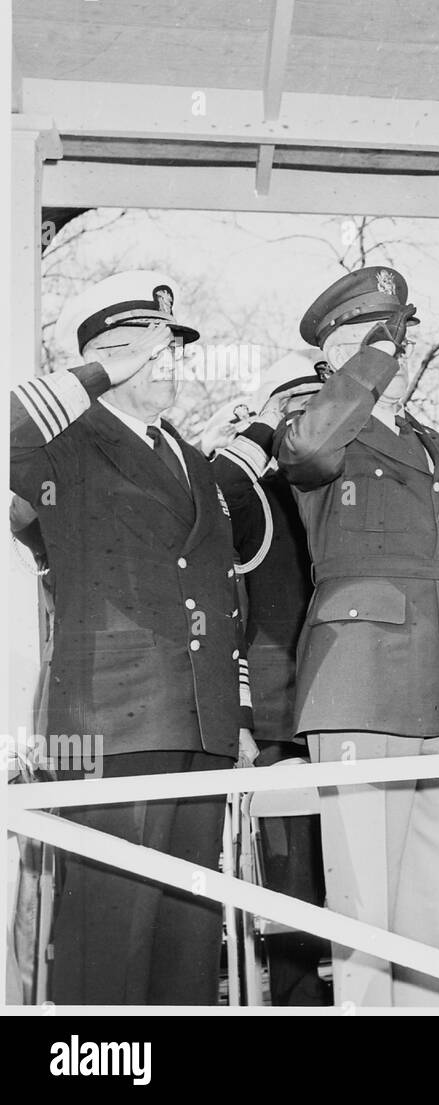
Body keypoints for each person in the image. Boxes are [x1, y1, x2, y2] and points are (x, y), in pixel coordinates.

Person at [10, 270, 257, 1004]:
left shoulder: (188, 455)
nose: (171, 362)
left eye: (175, 349)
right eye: (152, 349)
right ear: (108, 357)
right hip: (112, 723)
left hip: (201, 721)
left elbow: (222, 589)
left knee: (186, 928)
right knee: (110, 928)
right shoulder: (69, 445)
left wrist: (237, 715)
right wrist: (97, 373)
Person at [277, 267, 439, 1007]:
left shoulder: (438, 447)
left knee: (435, 895)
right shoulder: (319, 425)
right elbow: (307, 449)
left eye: (399, 335)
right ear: (336, 353)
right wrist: (364, 366)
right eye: (376, 337)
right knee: (364, 900)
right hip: (360, 680)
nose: (396, 348)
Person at [209, 359, 332, 1006]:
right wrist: (258, 423)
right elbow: (213, 489)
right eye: (295, 406)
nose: (310, 419)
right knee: (293, 885)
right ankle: (299, 1003)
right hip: (282, 714)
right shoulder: (253, 489)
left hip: (349, 705)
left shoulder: (345, 481)